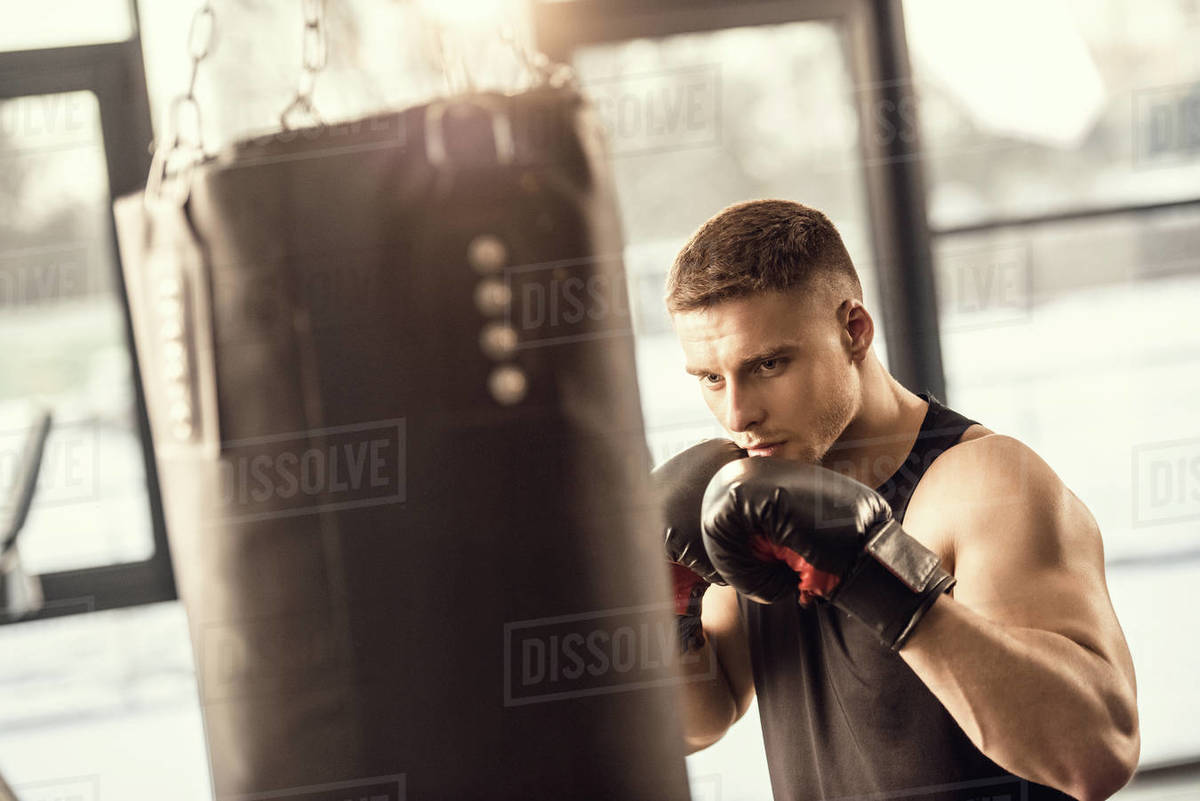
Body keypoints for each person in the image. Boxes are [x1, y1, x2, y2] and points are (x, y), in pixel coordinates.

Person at [654, 200, 1139, 801]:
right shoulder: (750, 499)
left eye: (769, 364)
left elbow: (1097, 754)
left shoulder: (982, 484)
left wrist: (879, 574)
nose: (738, 413)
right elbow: (701, 719)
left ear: (853, 330)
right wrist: (664, 604)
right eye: (710, 378)